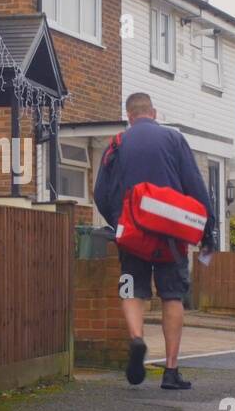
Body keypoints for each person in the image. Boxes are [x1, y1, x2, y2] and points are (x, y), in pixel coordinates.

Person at [93, 92, 217, 390]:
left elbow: (100, 192)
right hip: (171, 235)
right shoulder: (174, 140)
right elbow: (195, 186)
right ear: (154, 113)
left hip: (132, 234)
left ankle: (137, 338)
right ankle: (171, 372)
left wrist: (118, 221)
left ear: (129, 116)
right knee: (172, 296)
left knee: (130, 291)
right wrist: (207, 227)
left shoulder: (117, 144)